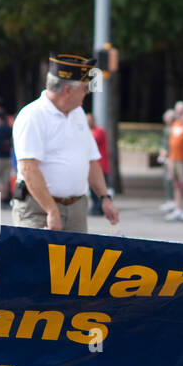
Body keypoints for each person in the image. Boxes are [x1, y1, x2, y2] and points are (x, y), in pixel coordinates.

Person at [12, 53, 119, 233]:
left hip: (76, 208)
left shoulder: (78, 114)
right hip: (39, 209)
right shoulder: (32, 116)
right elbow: (28, 169)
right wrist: (51, 210)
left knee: (74, 261)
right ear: (67, 90)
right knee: (37, 260)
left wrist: (104, 197)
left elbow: (91, 161)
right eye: (84, 88)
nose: (88, 92)